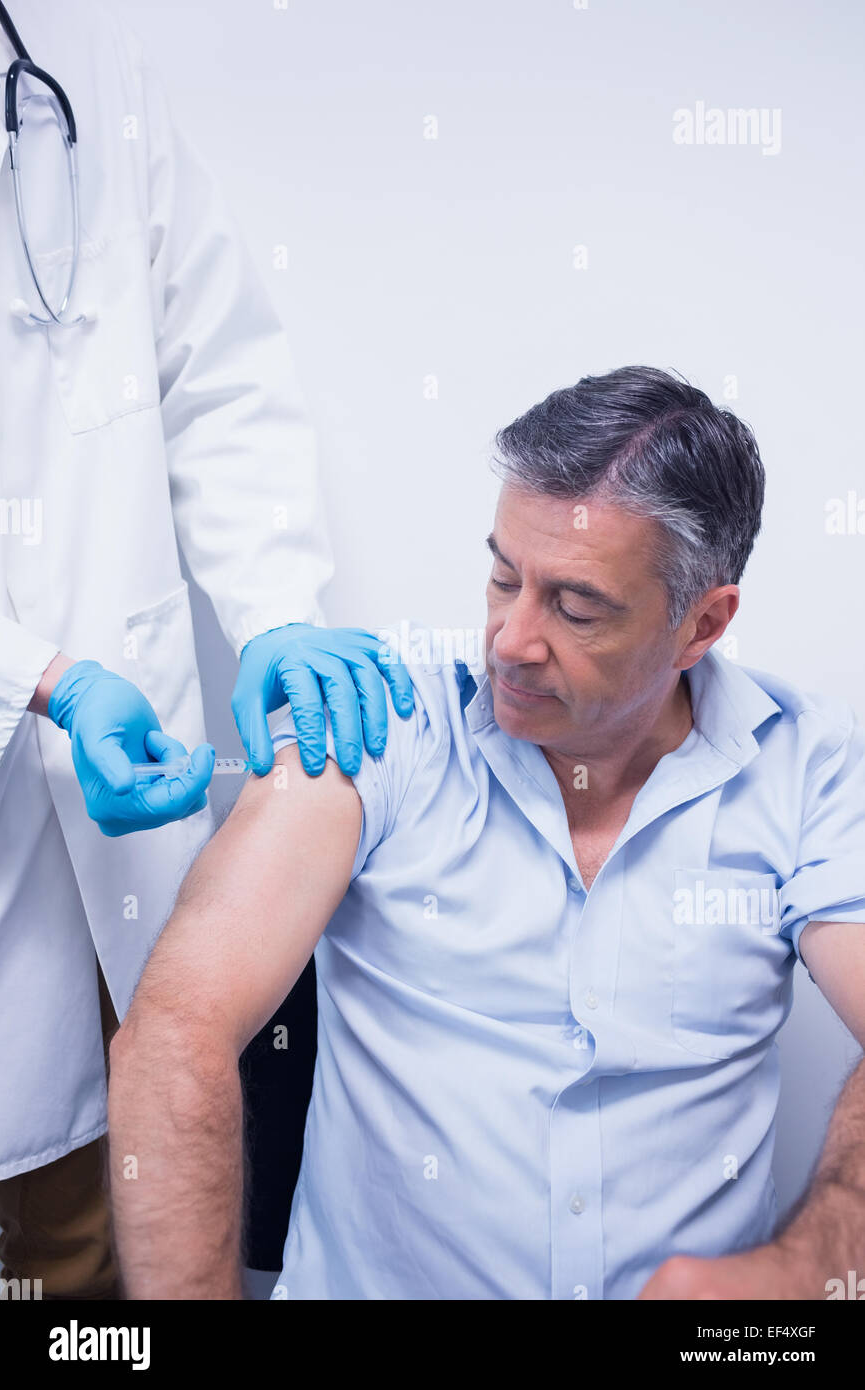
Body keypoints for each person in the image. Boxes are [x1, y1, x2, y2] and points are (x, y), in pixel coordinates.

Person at [109, 366, 865, 1300]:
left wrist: (812, 1261)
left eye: (576, 606)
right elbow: (177, 1026)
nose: (510, 639)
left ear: (701, 623)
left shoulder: (810, 767)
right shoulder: (380, 721)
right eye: (504, 577)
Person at [0, 0, 412, 1299]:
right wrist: (37, 676)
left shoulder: (78, 70)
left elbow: (218, 373)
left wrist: (280, 602)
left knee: (88, 1227)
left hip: (101, 861)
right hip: (44, 730)